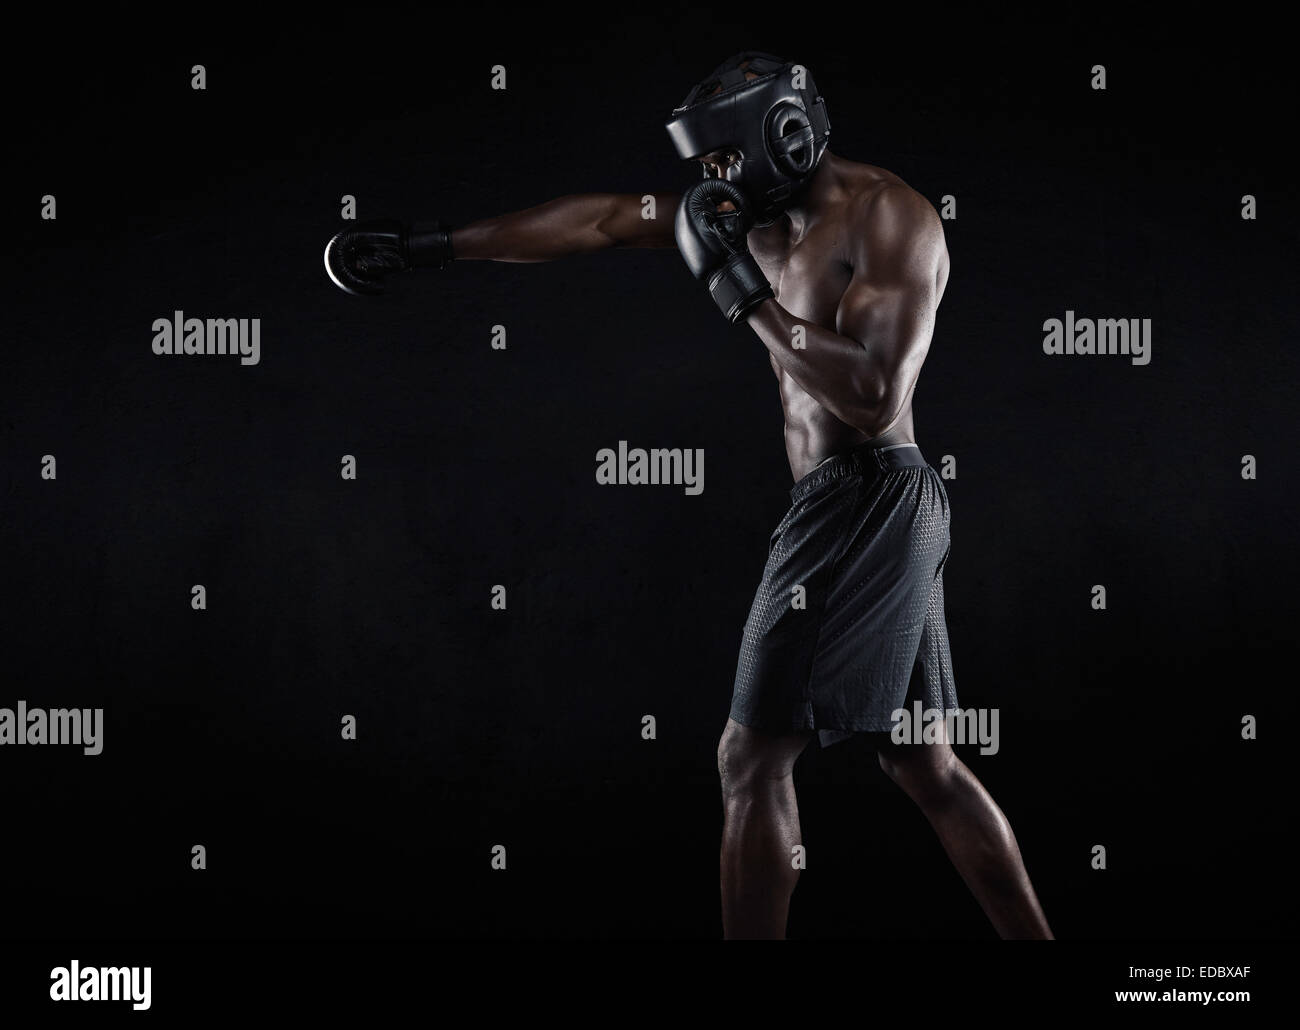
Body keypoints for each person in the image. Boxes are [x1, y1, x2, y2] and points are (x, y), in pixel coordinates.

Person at [325, 51, 1053, 941]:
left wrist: (738, 292)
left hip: (867, 495)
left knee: (749, 759)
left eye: (719, 156)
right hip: (865, 502)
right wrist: (432, 245)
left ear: (781, 137)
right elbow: (599, 222)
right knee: (924, 763)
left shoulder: (891, 216)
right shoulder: (746, 216)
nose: (709, 178)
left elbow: (872, 396)